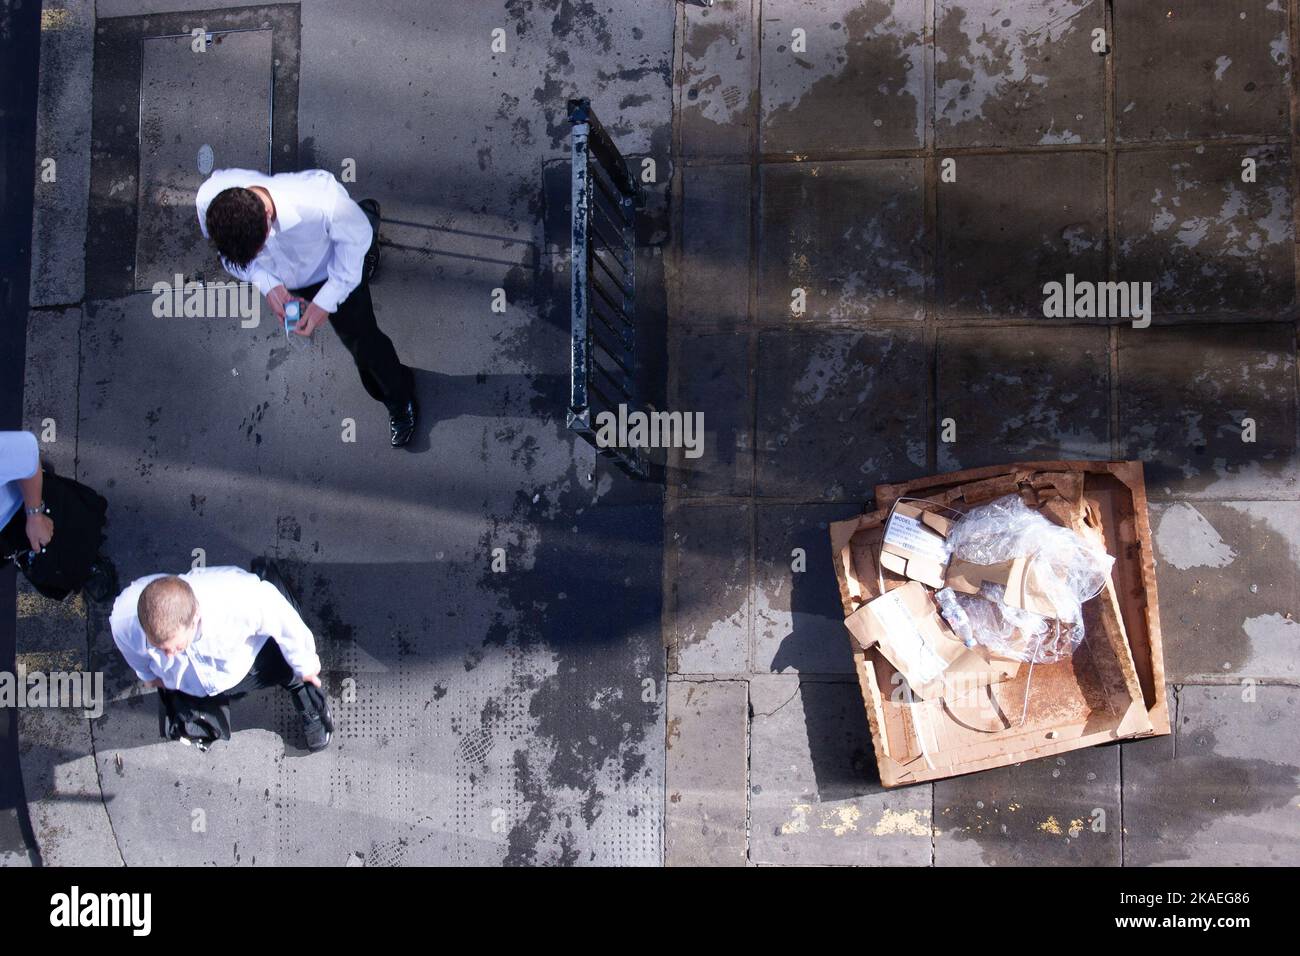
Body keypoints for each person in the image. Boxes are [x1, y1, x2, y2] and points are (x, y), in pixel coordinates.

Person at [196, 168, 418, 447]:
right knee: (353, 235)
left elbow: (348, 259)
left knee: (363, 344)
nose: (256, 258)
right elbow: (237, 261)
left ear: (266, 217)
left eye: (259, 249)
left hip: (330, 270)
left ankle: (398, 396)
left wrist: (323, 304)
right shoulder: (209, 199)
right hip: (291, 273)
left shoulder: (319, 201)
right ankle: (364, 225)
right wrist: (268, 283)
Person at [110, 560, 333, 752]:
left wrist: (305, 664)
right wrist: (149, 675)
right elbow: (133, 653)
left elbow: (284, 620)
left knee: (287, 670)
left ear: (195, 616)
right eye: (158, 647)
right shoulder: (125, 618)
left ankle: (303, 695)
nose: (167, 657)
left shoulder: (236, 597)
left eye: (175, 647)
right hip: (194, 683)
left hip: (248, 662)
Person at [0, 429, 116, 602]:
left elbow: (24, 452)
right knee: (33, 562)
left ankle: (87, 563)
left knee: (69, 543)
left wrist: (35, 515)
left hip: (20, 509)